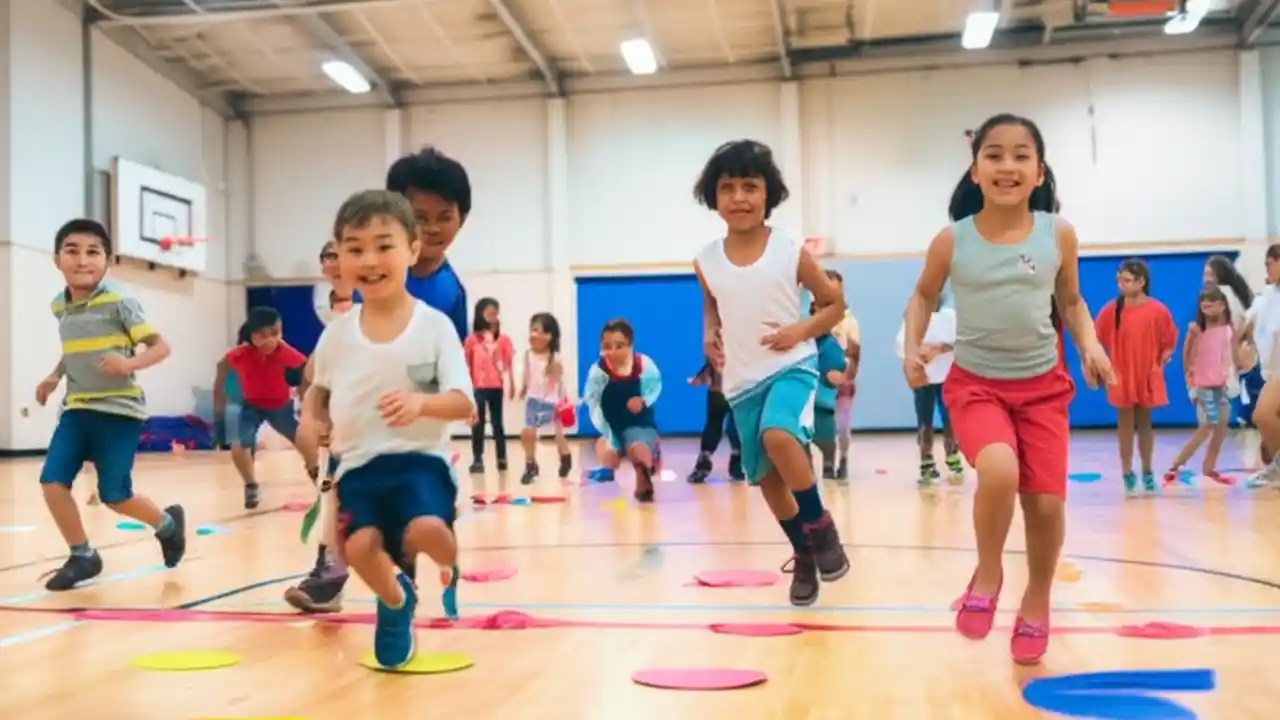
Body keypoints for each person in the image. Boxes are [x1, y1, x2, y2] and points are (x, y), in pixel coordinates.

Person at [902, 113, 1112, 665]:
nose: (1007, 165)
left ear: (1039, 172)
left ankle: (1037, 600)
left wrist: (1090, 343)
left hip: (1044, 387)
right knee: (998, 471)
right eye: (994, 154)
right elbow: (922, 296)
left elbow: (1070, 301)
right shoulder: (952, 240)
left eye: (1022, 155)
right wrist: (911, 347)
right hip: (977, 387)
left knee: (1044, 505)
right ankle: (989, 570)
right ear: (975, 170)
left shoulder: (1057, 233)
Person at [284, 146, 473, 612]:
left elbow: (450, 376)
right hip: (355, 417)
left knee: (403, 514)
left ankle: (400, 585)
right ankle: (332, 573)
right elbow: (332, 355)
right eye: (420, 215)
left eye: (443, 217)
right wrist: (318, 408)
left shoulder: (447, 295)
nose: (432, 228)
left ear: (461, 220)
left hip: (413, 431)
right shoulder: (365, 265)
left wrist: (421, 402)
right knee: (347, 501)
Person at [692, 139, 849, 607]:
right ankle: (803, 553)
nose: (739, 197)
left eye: (750, 187)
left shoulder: (787, 249)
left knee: (779, 436)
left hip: (792, 366)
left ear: (769, 194)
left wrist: (801, 329)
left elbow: (835, 305)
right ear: (713, 197)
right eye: (728, 188)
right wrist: (710, 330)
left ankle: (821, 528)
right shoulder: (706, 260)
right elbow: (712, 305)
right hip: (741, 381)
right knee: (766, 480)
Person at [34, 218, 187, 591]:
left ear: (108, 260)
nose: (82, 260)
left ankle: (168, 525)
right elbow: (74, 351)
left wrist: (128, 364)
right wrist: (54, 375)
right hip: (77, 408)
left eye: (93, 252)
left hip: (119, 411)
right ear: (57, 260)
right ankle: (82, 554)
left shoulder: (120, 302)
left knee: (115, 496)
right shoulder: (60, 305)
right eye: (72, 251)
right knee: (52, 481)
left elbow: (160, 347)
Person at [1094, 259, 1177, 495]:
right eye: (1119, 278)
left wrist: (1163, 358)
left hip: (1146, 373)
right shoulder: (1111, 309)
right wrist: (1099, 365)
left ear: (1141, 282)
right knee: (1125, 425)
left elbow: (1168, 341)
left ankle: (1148, 471)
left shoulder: (1157, 310)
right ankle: (1127, 472)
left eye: (1127, 279)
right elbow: (1095, 338)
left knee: (1145, 424)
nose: (1121, 283)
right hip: (1121, 373)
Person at [223, 306, 313, 509]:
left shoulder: (284, 352)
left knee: (304, 441)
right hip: (251, 405)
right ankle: (250, 485)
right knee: (239, 445)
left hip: (279, 405)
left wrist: (306, 399)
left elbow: (307, 369)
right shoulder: (239, 354)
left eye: (275, 334)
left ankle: (318, 475)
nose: (271, 340)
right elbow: (225, 374)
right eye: (263, 336)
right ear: (251, 335)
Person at [1162, 286, 1241, 485]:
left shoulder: (1228, 329)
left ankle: (1209, 468)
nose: (1210, 306)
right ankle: (1175, 465)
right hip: (1202, 386)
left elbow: (1233, 357)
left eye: (1214, 302)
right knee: (1207, 425)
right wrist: (1191, 386)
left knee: (1221, 427)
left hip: (1220, 386)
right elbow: (1186, 358)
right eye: (1205, 303)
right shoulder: (1196, 331)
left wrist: (1235, 375)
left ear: (1223, 306)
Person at [582, 319, 663, 502]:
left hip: (639, 424)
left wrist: (643, 400)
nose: (613, 351)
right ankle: (613, 464)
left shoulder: (644, 364)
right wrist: (607, 432)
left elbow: (655, 386)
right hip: (612, 425)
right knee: (607, 452)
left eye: (619, 346)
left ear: (630, 345)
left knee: (637, 448)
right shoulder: (598, 372)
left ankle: (645, 467)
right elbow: (592, 401)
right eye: (607, 346)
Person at [895, 293, 963, 487]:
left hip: (947, 379)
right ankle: (926, 463)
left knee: (950, 421)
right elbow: (901, 345)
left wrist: (939, 349)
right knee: (924, 422)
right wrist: (917, 353)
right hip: (923, 379)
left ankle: (953, 458)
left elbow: (961, 342)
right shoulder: (912, 320)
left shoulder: (949, 317)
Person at [518, 312, 573, 485]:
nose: (534, 335)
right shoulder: (527, 355)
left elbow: (559, 383)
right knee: (528, 433)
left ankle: (565, 457)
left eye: (540, 331)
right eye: (533, 330)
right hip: (532, 400)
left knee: (558, 435)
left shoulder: (555, 358)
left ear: (550, 336)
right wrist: (523, 388)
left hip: (551, 402)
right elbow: (527, 374)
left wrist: (563, 401)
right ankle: (530, 465)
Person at [1242, 244, 1280, 487]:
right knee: (1265, 421)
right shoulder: (1267, 295)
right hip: (1272, 369)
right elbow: (1248, 326)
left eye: (1270, 262)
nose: (1267, 268)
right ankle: (1275, 466)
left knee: (1263, 414)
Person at [464, 297, 514, 474]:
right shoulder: (472, 340)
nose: (493, 316)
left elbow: (508, 363)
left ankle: (502, 458)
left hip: (496, 386)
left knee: (497, 423)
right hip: (478, 385)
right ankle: (477, 458)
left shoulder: (503, 340)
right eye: (489, 313)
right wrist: (466, 387)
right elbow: (467, 364)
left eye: (495, 313)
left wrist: (511, 383)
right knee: (477, 423)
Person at [687, 356, 744, 483]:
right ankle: (737, 463)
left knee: (715, 423)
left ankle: (705, 460)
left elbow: (711, 355)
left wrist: (703, 375)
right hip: (736, 385)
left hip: (722, 386)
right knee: (733, 424)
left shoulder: (714, 338)